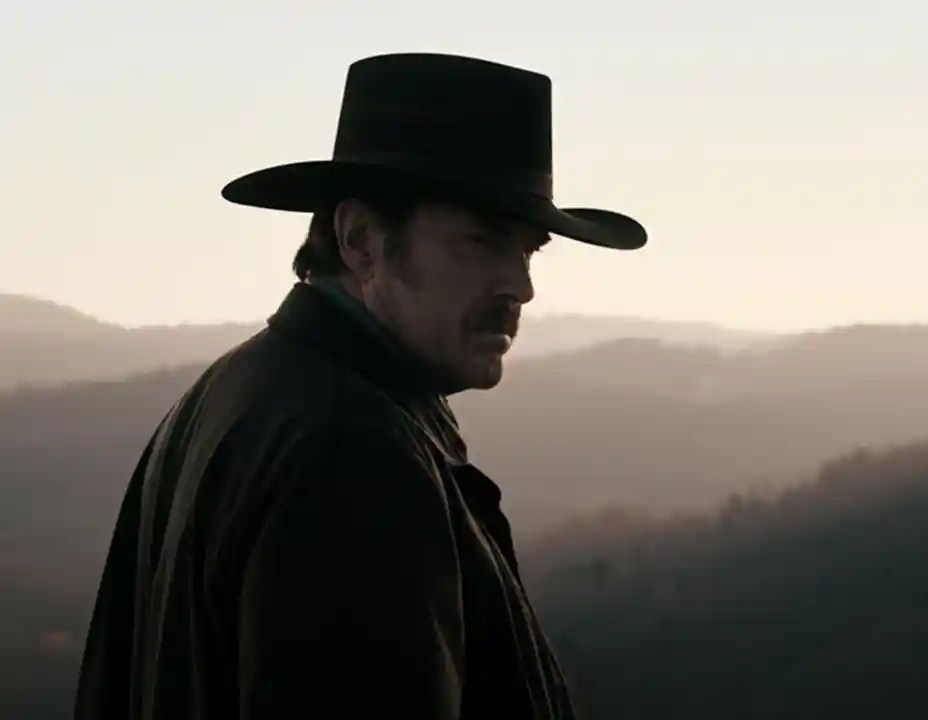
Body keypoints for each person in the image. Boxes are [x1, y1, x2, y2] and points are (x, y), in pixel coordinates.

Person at [74, 52, 646, 720]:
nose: (519, 285)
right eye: (482, 241)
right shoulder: (351, 456)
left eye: (527, 250)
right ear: (360, 239)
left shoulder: (227, 397)